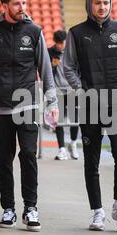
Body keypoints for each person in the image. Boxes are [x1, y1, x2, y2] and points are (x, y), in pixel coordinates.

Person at [0, 0, 59, 232]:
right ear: (5, 6)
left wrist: (51, 102)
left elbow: (46, 70)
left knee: (29, 156)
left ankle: (30, 208)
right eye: (17, 4)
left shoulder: (34, 32)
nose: (22, 8)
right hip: (0, 108)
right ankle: (8, 208)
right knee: (4, 160)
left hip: (28, 106)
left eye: (24, 3)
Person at [63, 0, 117, 231]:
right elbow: (68, 67)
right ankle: (97, 212)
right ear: (90, 4)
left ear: (110, 4)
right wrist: (81, 90)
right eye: (97, 3)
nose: (102, 7)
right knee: (91, 161)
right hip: (90, 105)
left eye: (106, 3)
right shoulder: (76, 33)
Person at [48, 30, 80, 160]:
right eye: (58, 43)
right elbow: (45, 71)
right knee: (58, 120)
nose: (60, 46)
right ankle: (61, 149)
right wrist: (52, 65)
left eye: (62, 43)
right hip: (58, 91)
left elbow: (79, 69)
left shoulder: (72, 52)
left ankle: (73, 144)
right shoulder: (50, 53)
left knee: (74, 120)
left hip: (72, 90)